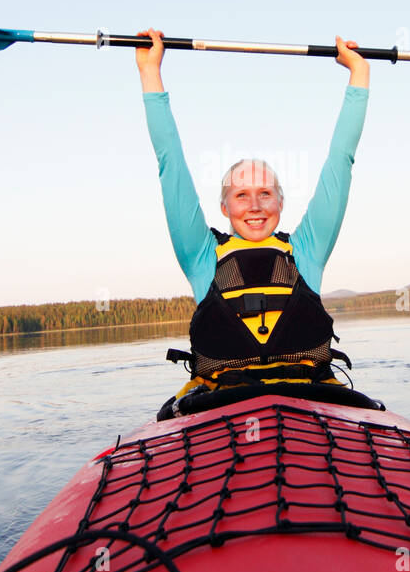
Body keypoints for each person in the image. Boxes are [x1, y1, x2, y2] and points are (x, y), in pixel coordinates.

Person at [136, 27, 370, 417]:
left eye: (265, 193)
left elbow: (341, 160)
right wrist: (150, 73)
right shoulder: (201, 256)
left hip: (310, 404)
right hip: (220, 407)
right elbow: (169, 164)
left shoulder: (307, 250)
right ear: (224, 207)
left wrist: (357, 73)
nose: (255, 205)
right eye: (241, 195)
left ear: (281, 201)